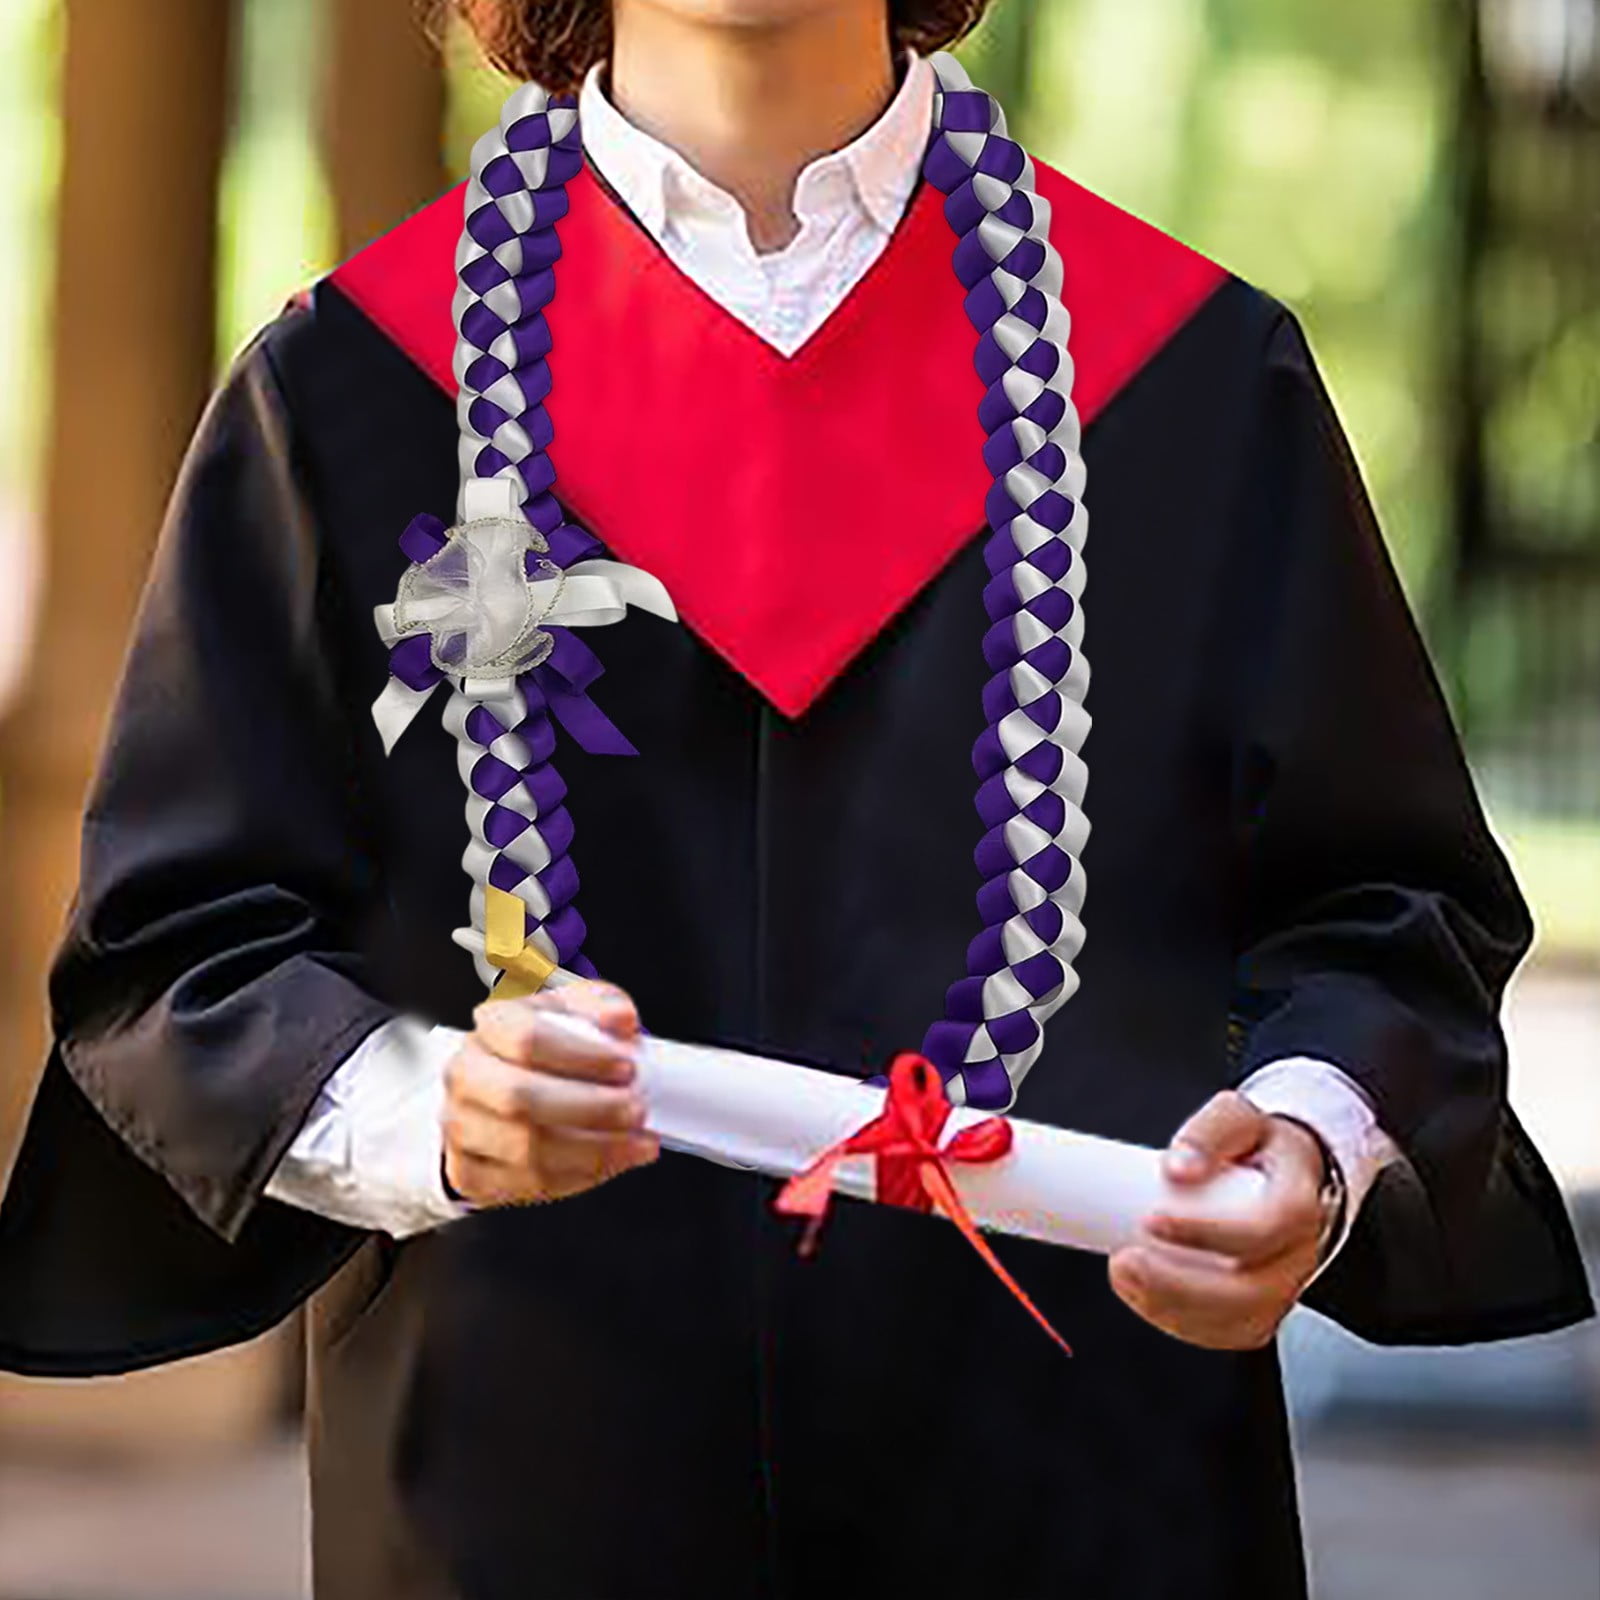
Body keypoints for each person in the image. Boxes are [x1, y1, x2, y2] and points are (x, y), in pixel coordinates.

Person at [0, 1, 1591, 1596]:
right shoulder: (355, 389)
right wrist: (430, 1111)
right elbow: (177, 953)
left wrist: (1308, 1148)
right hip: (528, 1496)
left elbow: (1385, 911)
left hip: (1090, 1492)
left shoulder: (1185, 380)